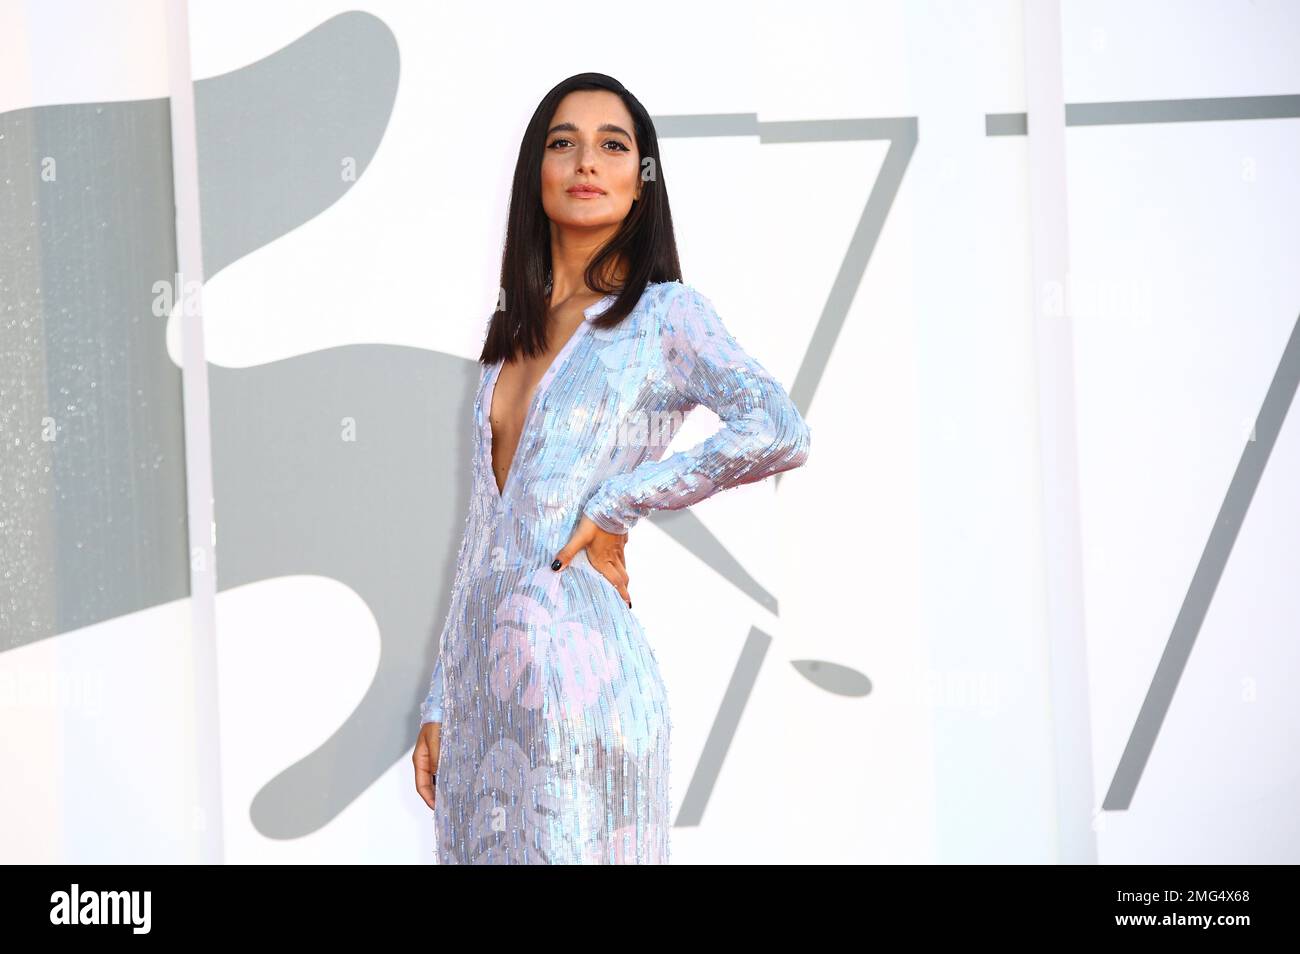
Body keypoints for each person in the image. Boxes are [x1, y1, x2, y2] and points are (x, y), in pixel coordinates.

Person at [411, 72, 811, 863]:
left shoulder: (665, 316)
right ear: (537, 171)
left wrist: (621, 501)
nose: (586, 161)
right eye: (564, 143)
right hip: (487, 706)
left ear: (640, 183)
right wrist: (439, 696)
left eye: (613, 146)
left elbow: (779, 428)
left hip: (582, 691)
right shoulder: (506, 341)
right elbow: (483, 534)